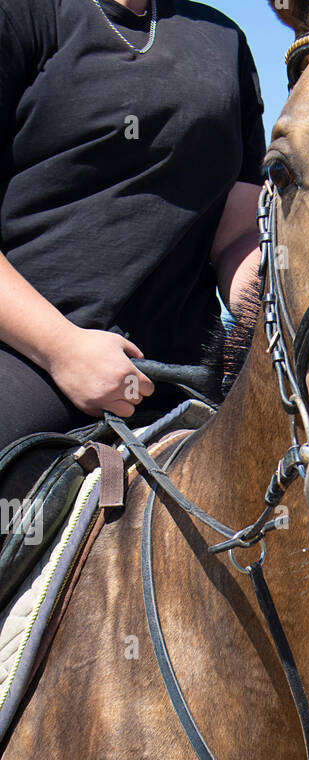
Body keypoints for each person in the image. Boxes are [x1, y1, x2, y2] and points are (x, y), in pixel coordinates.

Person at [0, 0, 267, 449]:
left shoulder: (225, 40)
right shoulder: (21, 14)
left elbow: (237, 234)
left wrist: (268, 320)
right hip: (28, 358)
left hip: (185, 373)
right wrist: (62, 349)